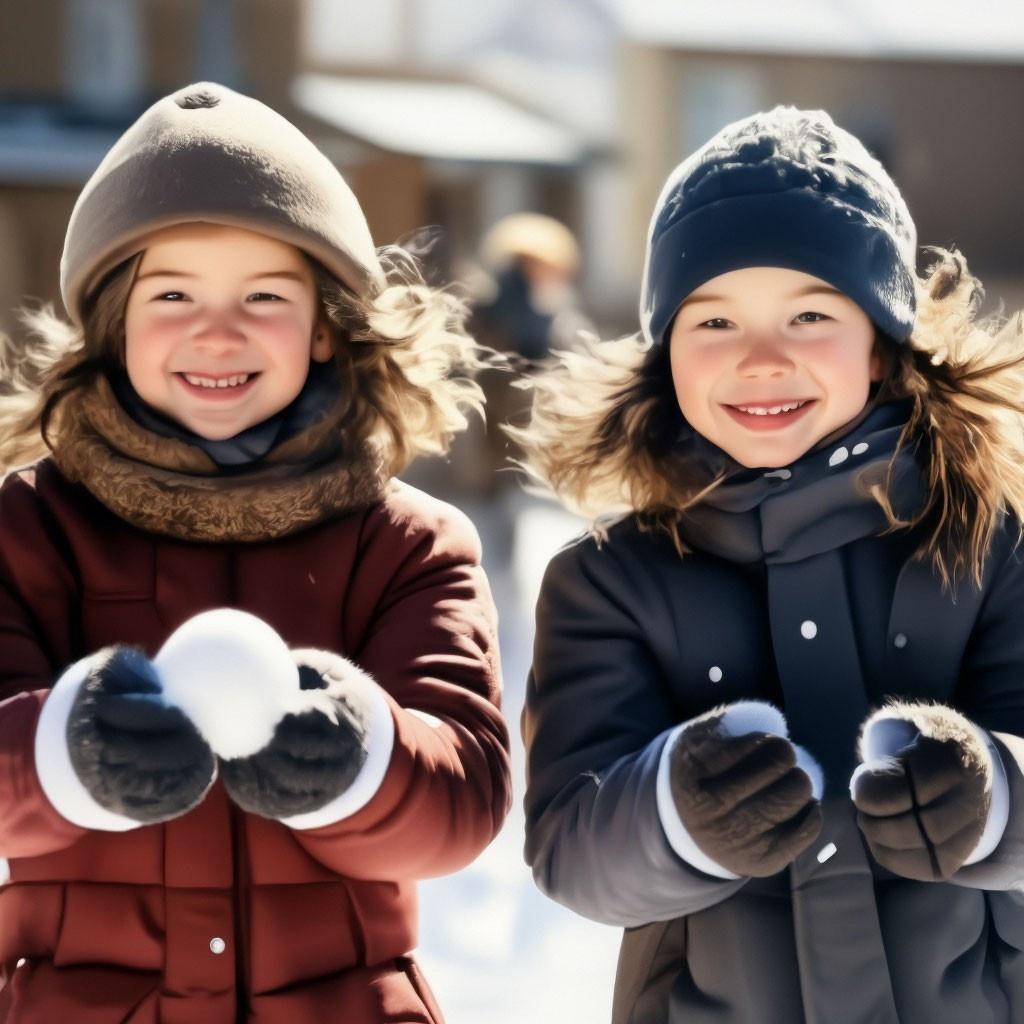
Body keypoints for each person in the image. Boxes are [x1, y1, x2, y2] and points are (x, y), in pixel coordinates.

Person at [0, 81, 511, 1023]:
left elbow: (468, 796)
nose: (217, 330)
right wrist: (64, 746)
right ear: (114, 322)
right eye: (173, 294)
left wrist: (361, 757)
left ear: (323, 327)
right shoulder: (27, 532)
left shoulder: (407, 544)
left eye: (265, 295)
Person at [514, 105, 1024, 1023]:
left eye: (809, 313)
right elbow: (569, 850)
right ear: (665, 352)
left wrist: (995, 797)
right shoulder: (607, 583)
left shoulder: (989, 544)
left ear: (881, 342)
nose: (760, 359)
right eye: (713, 320)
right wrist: (672, 810)